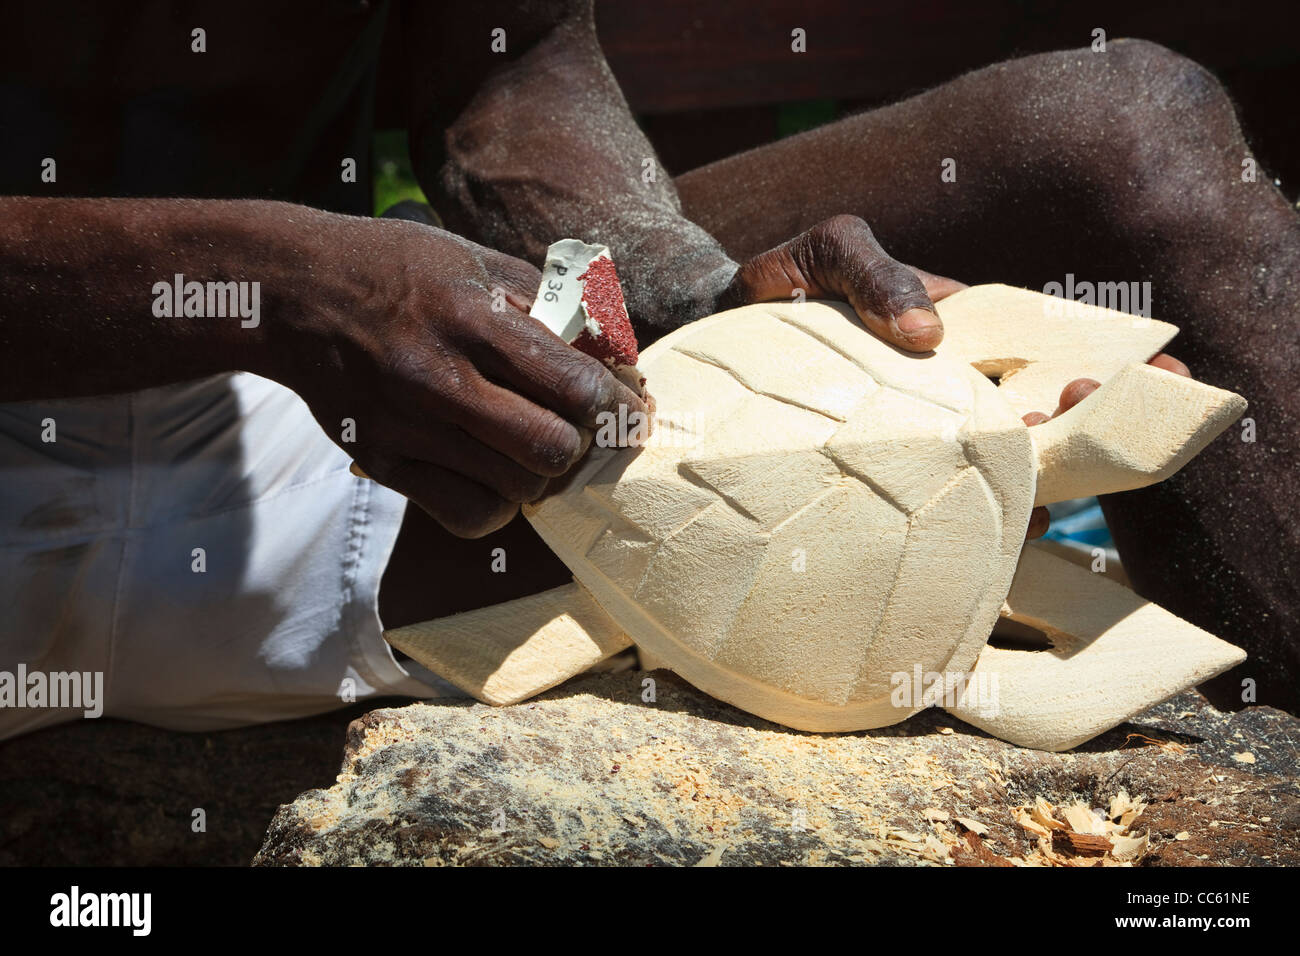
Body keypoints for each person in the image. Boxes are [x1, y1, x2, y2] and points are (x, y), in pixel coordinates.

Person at [1, 2, 1292, 739]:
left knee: (1125, 135)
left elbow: (505, 76)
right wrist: (276, 277)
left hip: (329, 376)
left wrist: (702, 312)